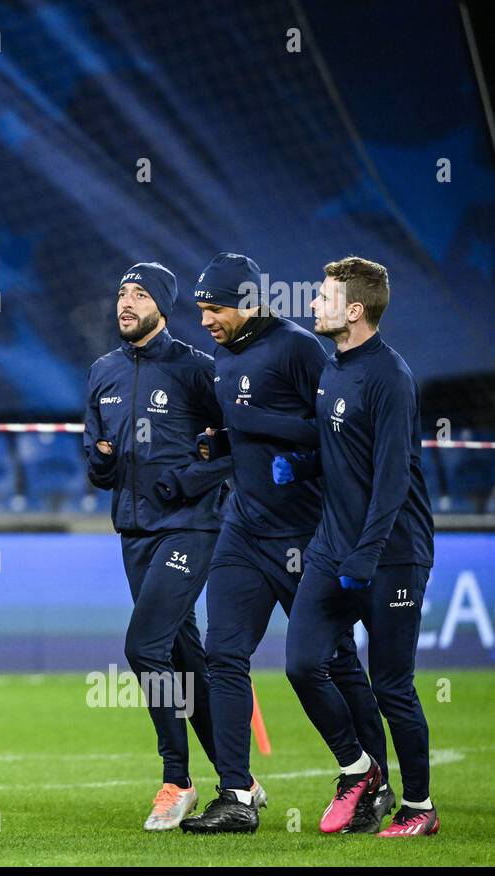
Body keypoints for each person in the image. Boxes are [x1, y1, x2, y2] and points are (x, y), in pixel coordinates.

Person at [180, 253, 391, 836]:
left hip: (306, 536)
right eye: (200, 310)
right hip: (242, 531)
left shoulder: (298, 348)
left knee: (334, 661)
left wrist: (258, 425)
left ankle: (376, 779)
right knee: (222, 655)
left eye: (215, 309)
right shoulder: (223, 356)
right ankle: (236, 795)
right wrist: (220, 443)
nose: (206, 321)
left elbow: (335, 434)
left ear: (248, 302)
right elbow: (241, 430)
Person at [279, 256, 437, 837]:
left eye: (323, 297)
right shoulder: (332, 369)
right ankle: (359, 768)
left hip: (391, 552)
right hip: (332, 547)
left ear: (355, 310)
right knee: (301, 663)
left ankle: (420, 808)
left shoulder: (391, 377)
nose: (313, 305)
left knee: (391, 685)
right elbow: (342, 453)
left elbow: (392, 476)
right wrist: (300, 465)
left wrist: (367, 556)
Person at [84, 262, 233, 831]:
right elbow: (96, 464)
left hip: (191, 525)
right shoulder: (102, 371)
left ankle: (177, 780)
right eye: (121, 292)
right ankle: (236, 777)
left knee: (144, 647)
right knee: (181, 654)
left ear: (163, 306)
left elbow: (234, 449)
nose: (125, 302)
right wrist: (100, 461)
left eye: (139, 294)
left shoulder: (199, 370)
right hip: (134, 530)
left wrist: (187, 480)